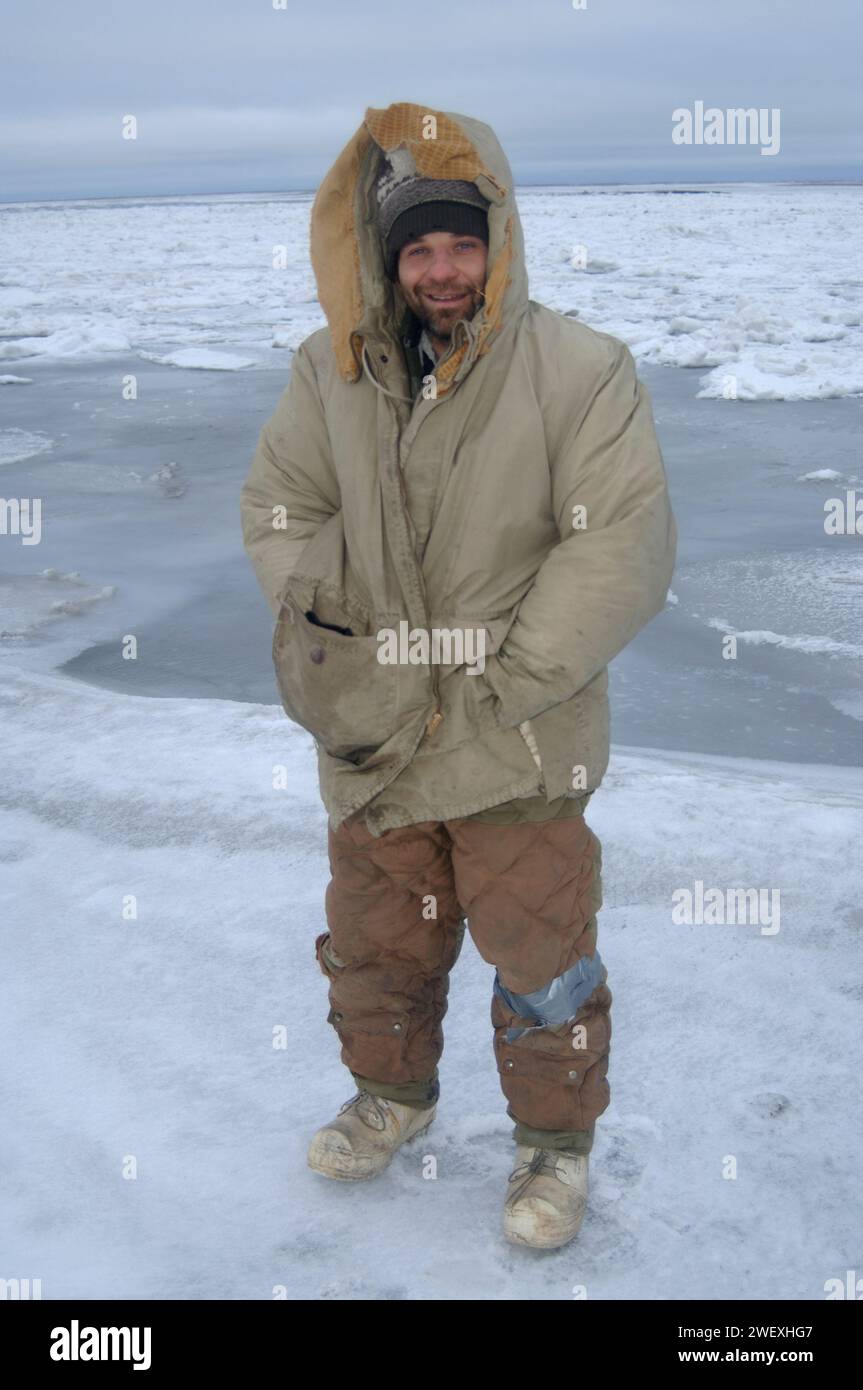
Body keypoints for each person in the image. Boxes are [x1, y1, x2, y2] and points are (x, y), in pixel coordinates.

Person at [240, 101, 677, 1249]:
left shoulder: (579, 370)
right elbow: (281, 509)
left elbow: (617, 544)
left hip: (513, 736)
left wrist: (501, 679)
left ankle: (551, 1149)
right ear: (386, 258)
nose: (442, 270)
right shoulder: (328, 372)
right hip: (372, 733)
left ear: (500, 239)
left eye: (461, 241)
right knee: (377, 942)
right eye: (416, 247)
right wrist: (336, 634)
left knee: (540, 954)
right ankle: (390, 1097)